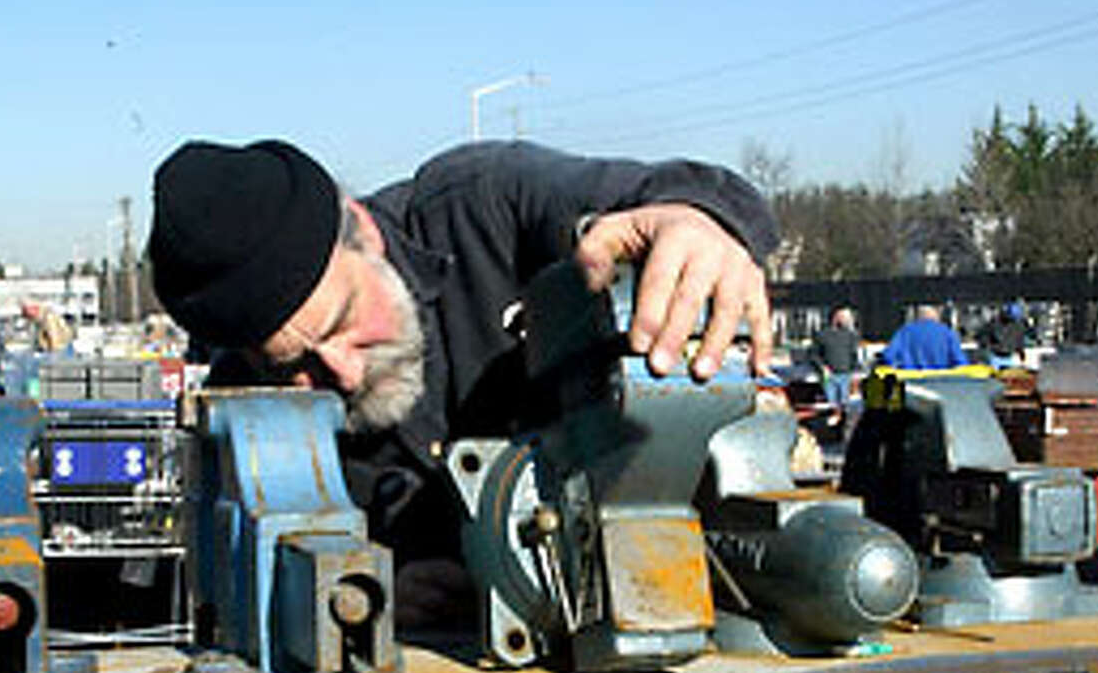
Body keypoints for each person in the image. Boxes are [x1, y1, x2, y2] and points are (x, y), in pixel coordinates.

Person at [147, 137, 778, 618]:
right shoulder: (250, 435)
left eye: (342, 319)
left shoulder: (483, 204)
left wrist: (696, 222)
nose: (342, 371)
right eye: (293, 367)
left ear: (362, 230)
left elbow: (674, 194)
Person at [878, 304, 968, 371]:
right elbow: (961, 364)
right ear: (938, 312)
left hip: (912, 387)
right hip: (941, 387)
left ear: (917, 314)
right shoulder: (947, 333)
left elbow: (888, 357)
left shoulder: (905, 332)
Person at [810, 307, 863, 408]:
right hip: (829, 376)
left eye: (848, 318)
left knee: (845, 404)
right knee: (832, 404)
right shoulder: (823, 335)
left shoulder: (850, 335)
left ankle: (844, 421)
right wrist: (822, 367)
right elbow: (814, 354)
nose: (847, 320)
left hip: (846, 375)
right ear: (835, 318)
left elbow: (854, 355)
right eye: (844, 317)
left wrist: (855, 373)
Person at [981, 301, 1030, 368]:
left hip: (1009, 357)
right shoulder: (994, 324)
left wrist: (1022, 356)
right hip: (995, 356)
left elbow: (1019, 342)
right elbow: (985, 338)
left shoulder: (1017, 326)